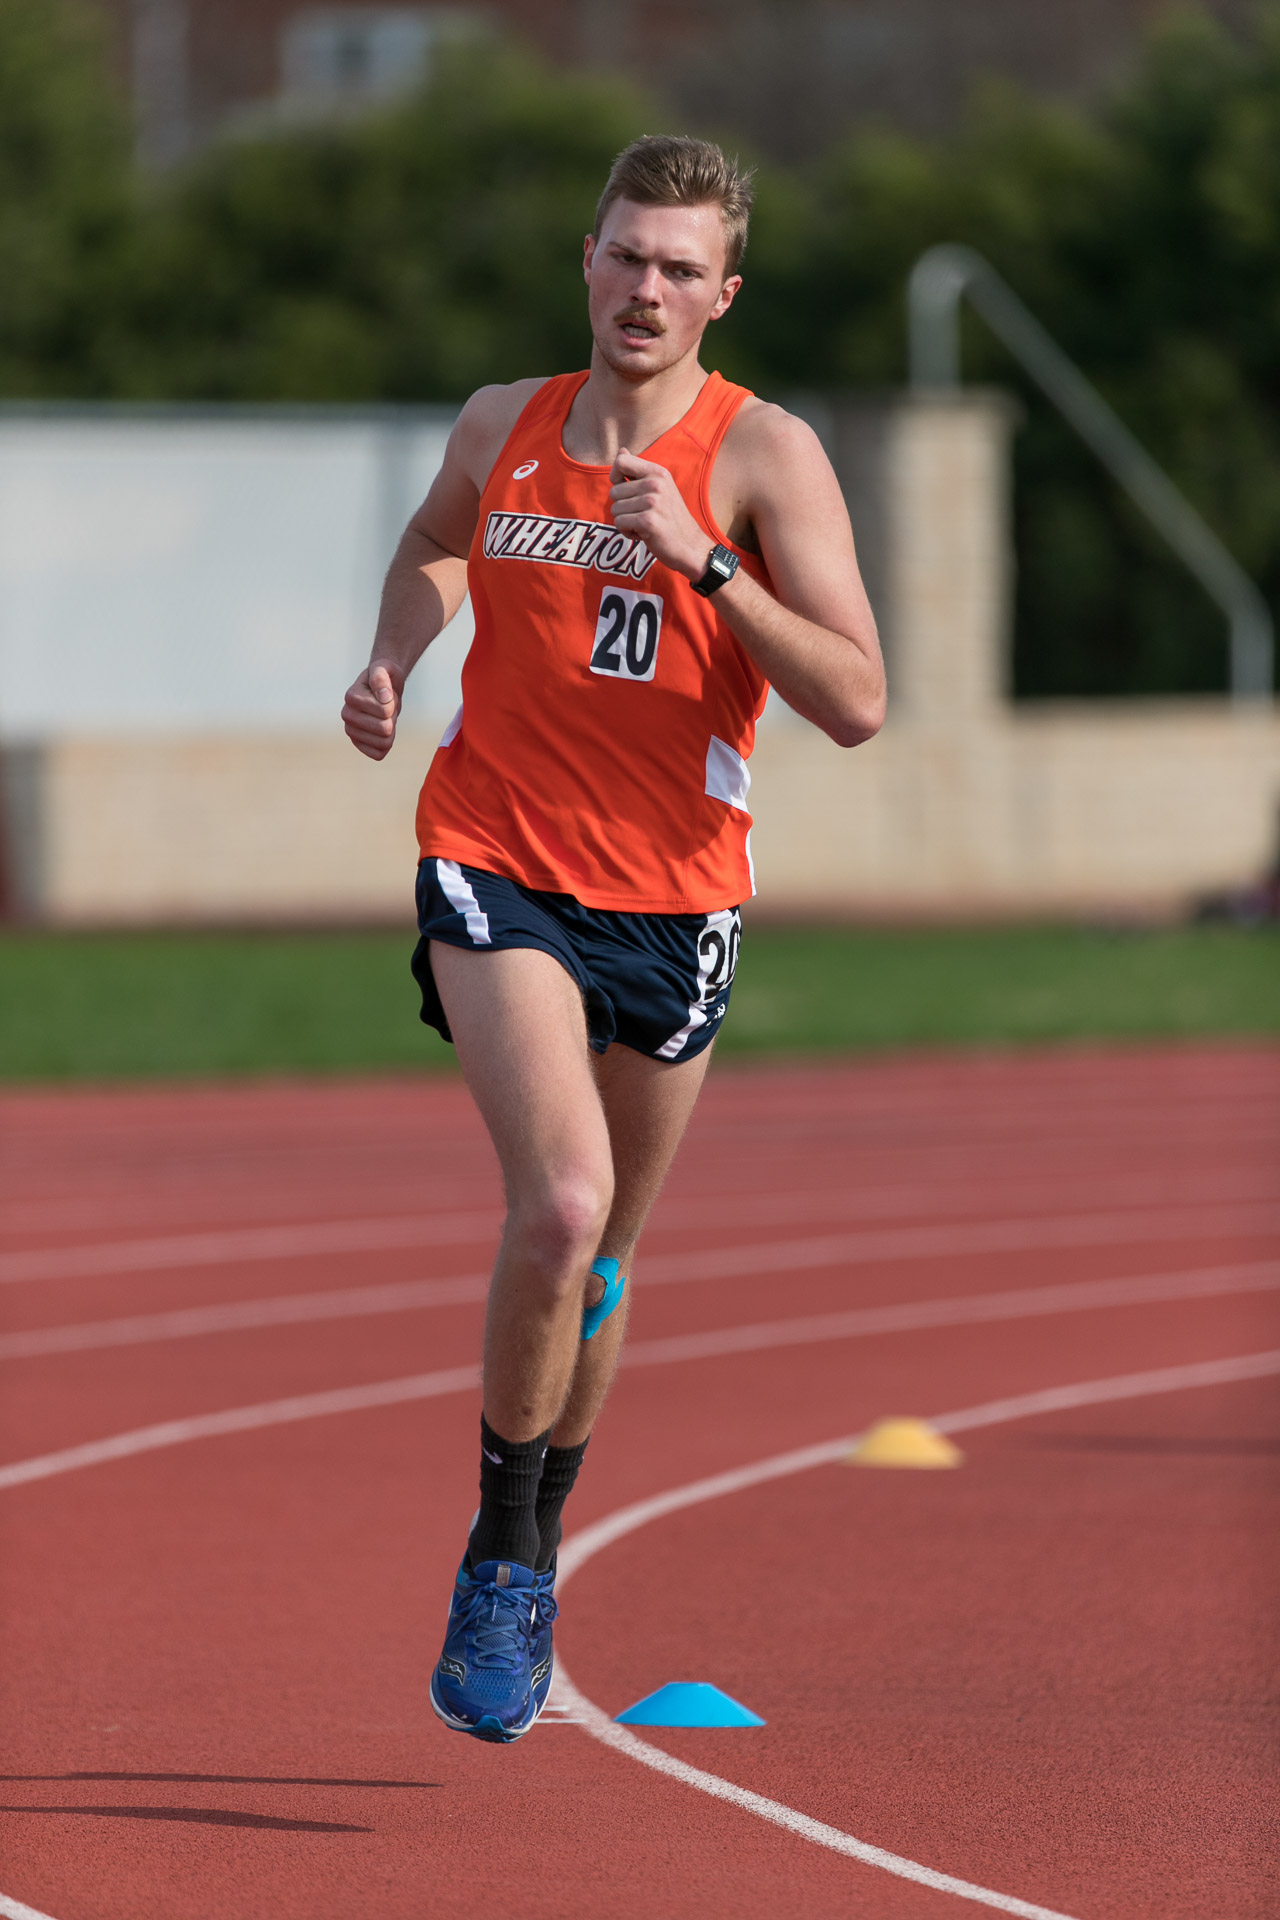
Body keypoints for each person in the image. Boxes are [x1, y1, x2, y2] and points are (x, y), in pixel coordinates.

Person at [341, 134, 885, 1744]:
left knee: (608, 1258)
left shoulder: (765, 454)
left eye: (677, 267)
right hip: (494, 856)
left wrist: (703, 559)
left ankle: (542, 1527)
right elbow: (437, 545)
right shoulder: (501, 423)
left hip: (677, 899)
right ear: (586, 260)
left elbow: (855, 700)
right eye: (623, 254)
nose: (644, 288)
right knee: (561, 1199)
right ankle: (502, 1558)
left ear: (725, 292)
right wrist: (390, 661)